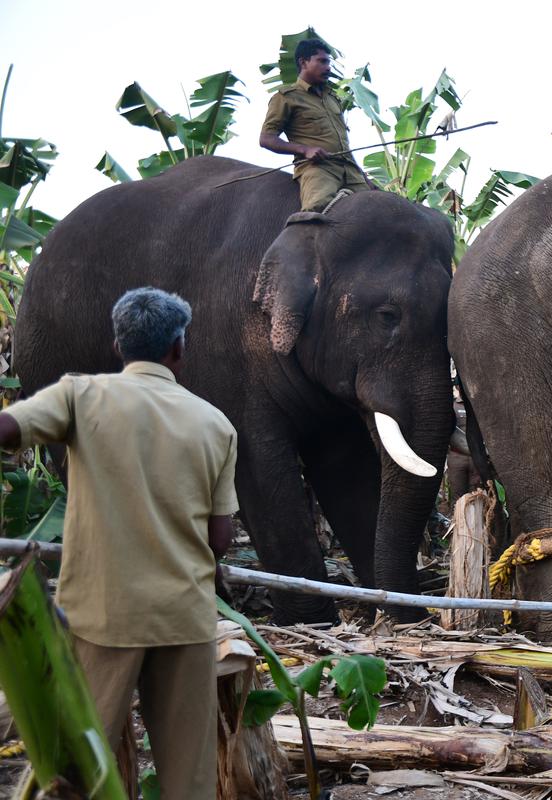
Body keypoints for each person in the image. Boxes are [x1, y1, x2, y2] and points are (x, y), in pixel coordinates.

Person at [0, 288, 238, 798]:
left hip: (103, 617)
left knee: (74, 772)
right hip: (184, 617)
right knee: (188, 781)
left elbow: (8, 429)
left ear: (117, 345)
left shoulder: (80, 396)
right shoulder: (215, 424)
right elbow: (221, 537)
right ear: (179, 348)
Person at [259, 38, 372, 212]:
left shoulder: (333, 98)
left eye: (329, 62)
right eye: (322, 61)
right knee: (317, 210)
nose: (328, 67)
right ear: (303, 62)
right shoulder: (287, 97)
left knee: (382, 211)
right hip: (319, 170)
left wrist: (364, 177)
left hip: (351, 171)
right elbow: (266, 139)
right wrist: (305, 150)